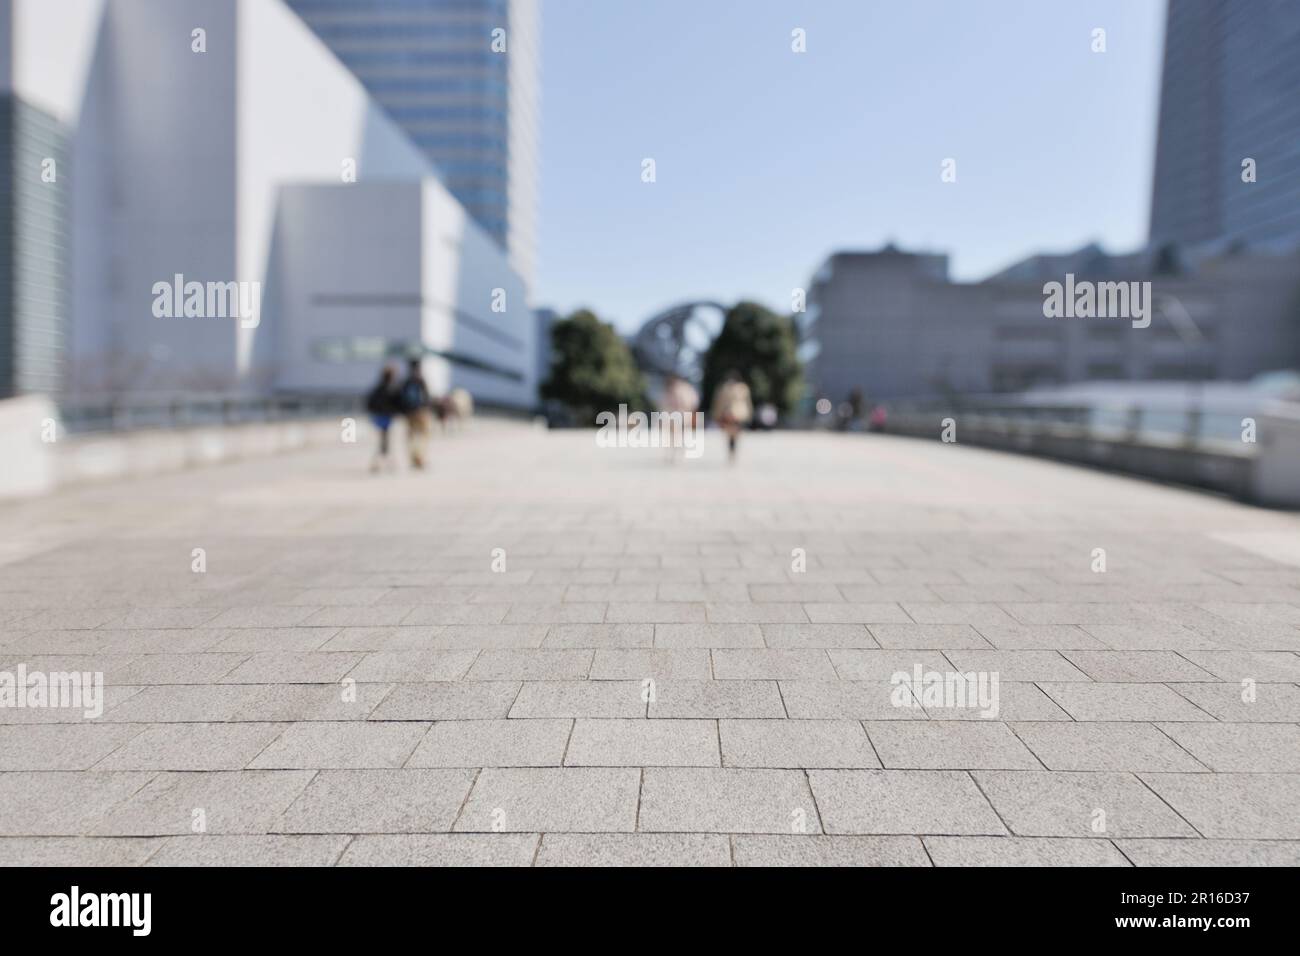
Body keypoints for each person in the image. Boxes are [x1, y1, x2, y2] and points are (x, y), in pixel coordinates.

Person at [397, 358, 433, 470]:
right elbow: (427, 396)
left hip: (409, 413)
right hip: (421, 411)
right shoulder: (420, 379)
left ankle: (413, 458)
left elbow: (400, 397)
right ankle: (420, 458)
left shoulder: (405, 380)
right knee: (423, 435)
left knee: (411, 436)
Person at [710, 370, 752, 463]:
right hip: (729, 414)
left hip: (738, 414)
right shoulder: (724, 388)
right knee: (730, 435)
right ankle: (731, 453)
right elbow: (719, 402)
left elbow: (747, 403)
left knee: (734, 435)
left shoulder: (742, 388)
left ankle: (733, 453)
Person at [364, 365, 400, 473]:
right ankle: (380, 462)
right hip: (385, 417)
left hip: (379, 416)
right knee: (384, 440)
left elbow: (369, 403)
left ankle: (382, 462)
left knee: (384, 440)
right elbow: (397, 403)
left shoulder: (378, 388)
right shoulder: (391, 389)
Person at [660, 374, 699, 462]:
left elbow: (691, 402)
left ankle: (678, 452)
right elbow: (663, 404)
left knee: (678, 435)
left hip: (681, 415)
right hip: (673, 416)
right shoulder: (669, 390)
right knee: (673, 436)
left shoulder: (684, 389)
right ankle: (674, 453)